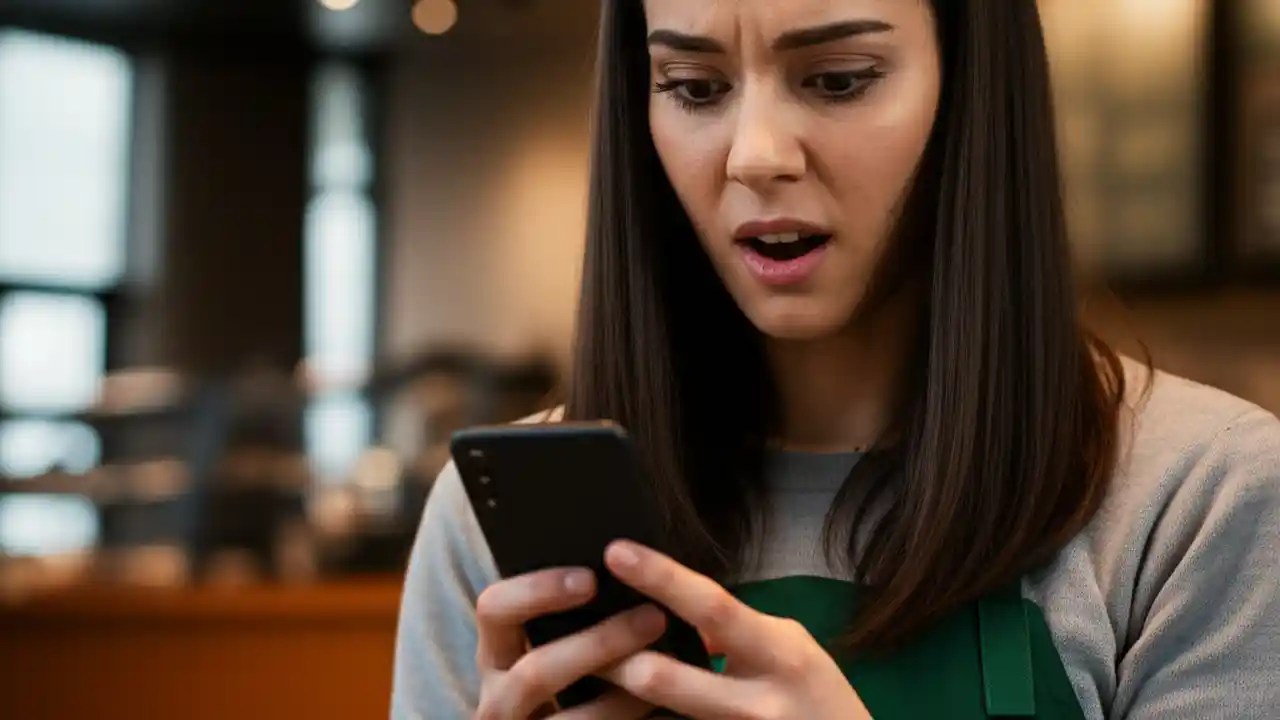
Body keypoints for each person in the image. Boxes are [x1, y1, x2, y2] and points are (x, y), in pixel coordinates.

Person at [392, 1, 1280, 718]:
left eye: (838, 80)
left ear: (971, 88)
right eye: (695, 88)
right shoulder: (493, 527)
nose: (756, 156)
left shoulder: (1199, 499)